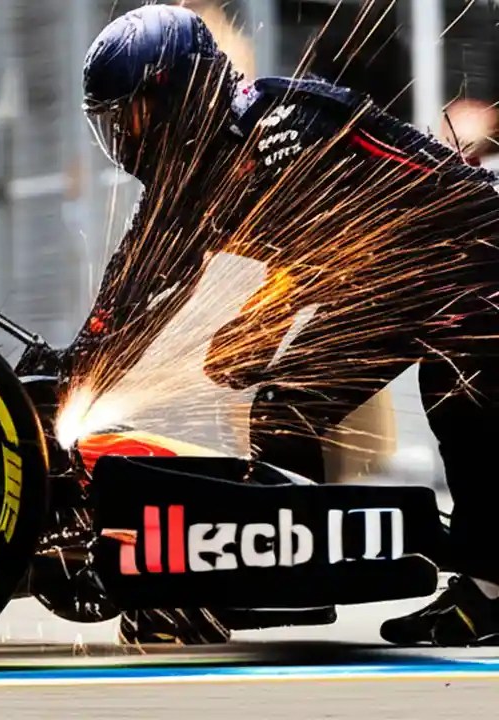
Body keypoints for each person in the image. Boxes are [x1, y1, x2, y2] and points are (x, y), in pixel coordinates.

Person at [54, 4, 499, 647]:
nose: (128, 134)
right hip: (382, 293)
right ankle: (273, 578)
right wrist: (74, 374)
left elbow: (437, 193)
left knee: (458, 380)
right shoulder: (183, 186)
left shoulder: (285, 117)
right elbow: (131, 289)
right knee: (279, 402)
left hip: (471, 263)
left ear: (185, 90)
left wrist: (316, 145)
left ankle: (488, 590)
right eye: (115, 122)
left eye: (136, 114)